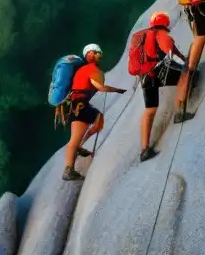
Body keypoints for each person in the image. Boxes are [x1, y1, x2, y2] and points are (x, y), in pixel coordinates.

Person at [62, 43, 126, 181]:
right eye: (97, 53)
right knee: (77, 137)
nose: (99, 56)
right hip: (80, 104)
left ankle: (74, 158)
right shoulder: (90, 68)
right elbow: (100, 87)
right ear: (90, 54)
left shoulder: (81, 70)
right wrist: (118, 90)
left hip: (74, 104)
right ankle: (68, 169)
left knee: (95, 122)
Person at [138, 12, 191, 162]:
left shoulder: (144, 38)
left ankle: (144, 150)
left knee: (150, 110)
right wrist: (186, 64)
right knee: (184, 76)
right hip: (157, 72)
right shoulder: (161, 35)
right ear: (165, 23)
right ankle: (180, 113)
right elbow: (171, 54)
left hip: (144, 77)